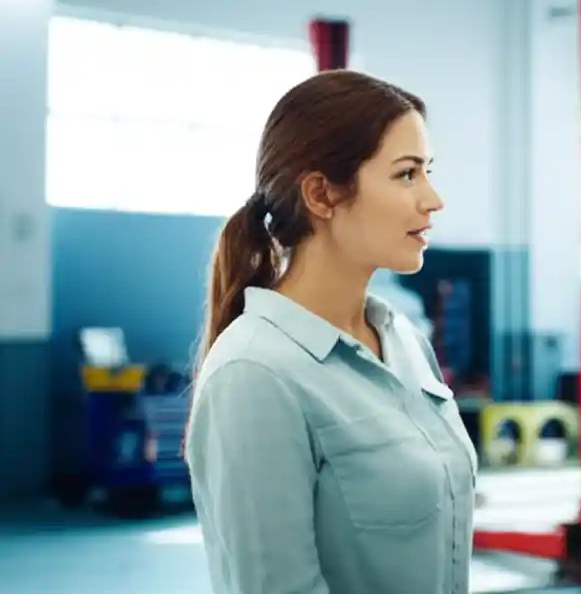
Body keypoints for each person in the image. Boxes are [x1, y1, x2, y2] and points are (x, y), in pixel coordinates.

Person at [184, 70, 477, 594]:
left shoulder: (403, 341)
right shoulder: (255, 374)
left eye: (427, 171)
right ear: (321, 194)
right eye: (407, 174)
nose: (433, 199)